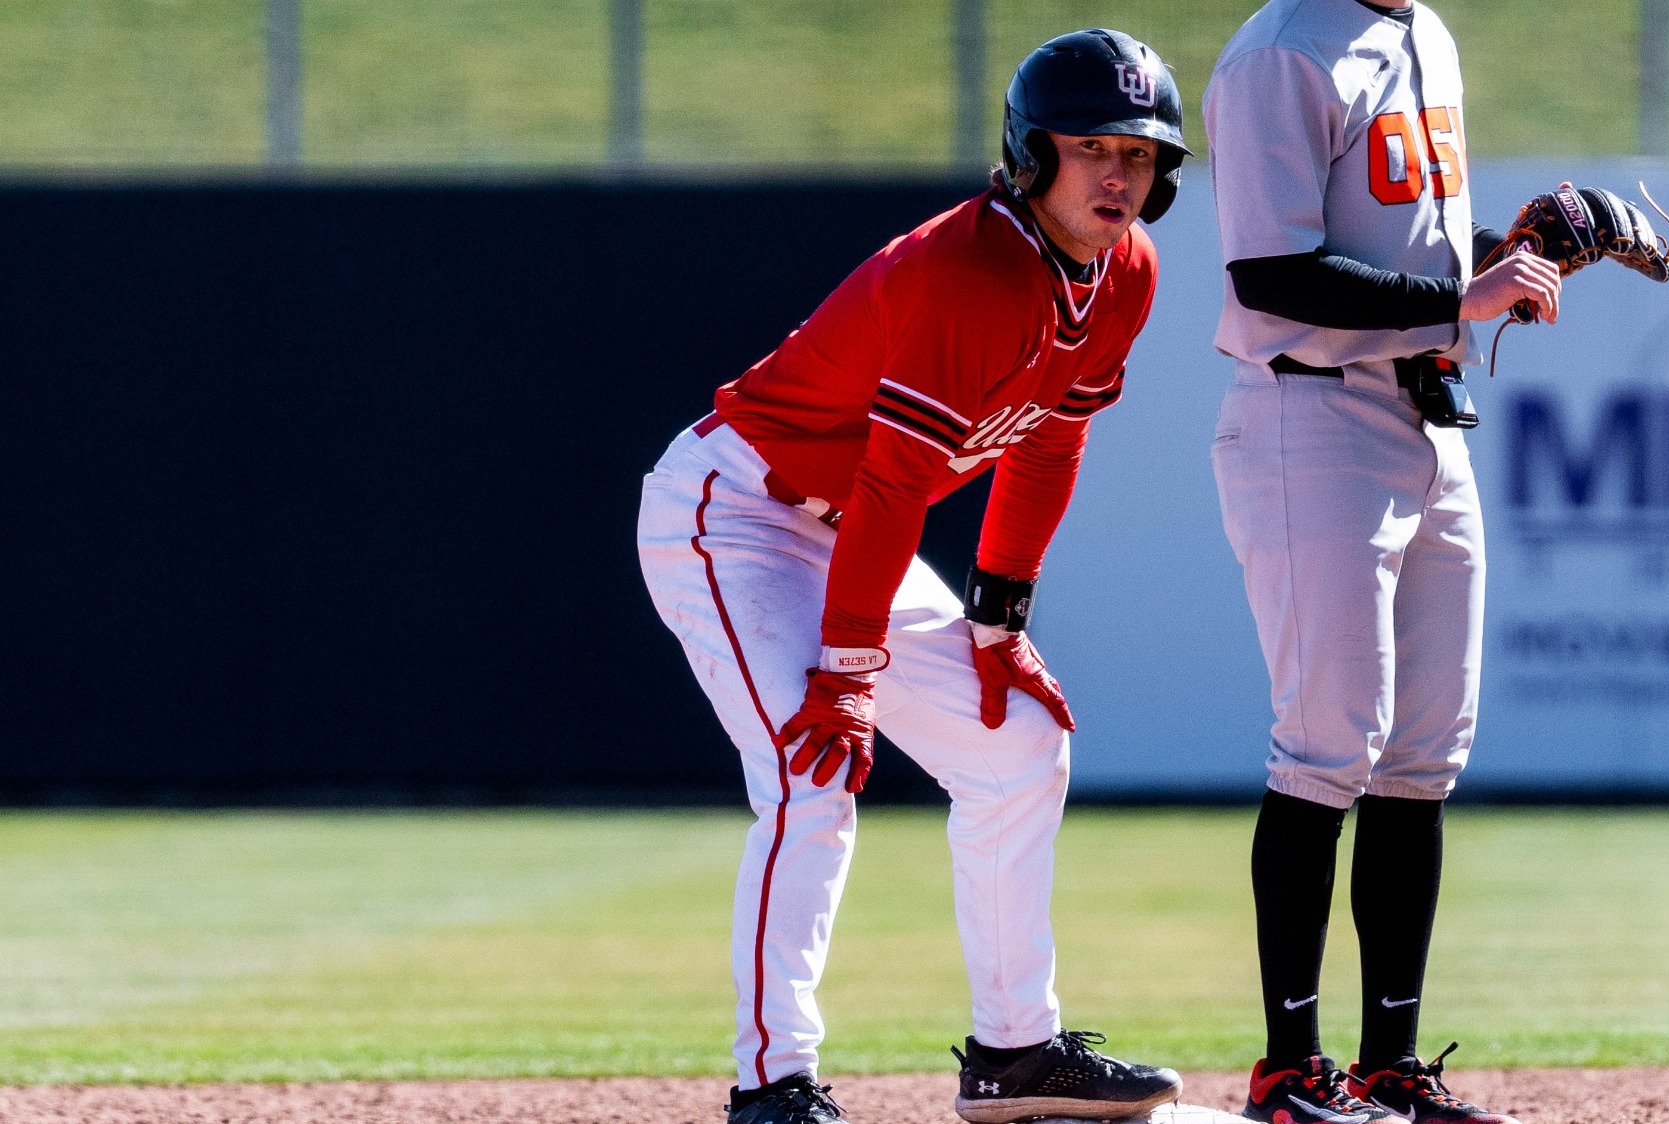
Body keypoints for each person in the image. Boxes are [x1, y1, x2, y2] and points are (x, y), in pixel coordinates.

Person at [637, 28, 1190, 1124]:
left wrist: (998, 621)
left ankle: (1014, 1053)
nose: (1118, 173)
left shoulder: (1126, 270)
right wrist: (846, 675)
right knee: (811, 769)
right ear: (1031, 154)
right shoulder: (968, 270)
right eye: (1090, 147)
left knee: (1019, 744)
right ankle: (772, 1082)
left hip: (848, 531)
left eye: (1138, 152)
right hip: (734, 512)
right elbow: (894, 483)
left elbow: (1049, 442)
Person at [1203, 2, 1567, 1123]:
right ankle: (1289, 1069)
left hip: (1425, 413)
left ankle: (1389, 1067)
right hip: (1309, 413)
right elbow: (1271, 271)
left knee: (1422, 753)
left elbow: (1399, 242)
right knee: (1326, 745)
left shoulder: (1429, 33)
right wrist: (1461, 298)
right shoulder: (1282, 51)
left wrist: (1504, 257)